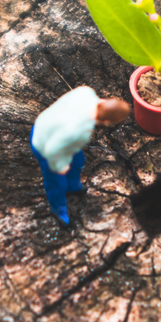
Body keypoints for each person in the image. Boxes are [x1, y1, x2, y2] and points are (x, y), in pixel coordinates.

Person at [30, 86, 129, 224]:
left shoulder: (86, 91)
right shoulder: (79, 131)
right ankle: (58, 208)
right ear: (107, 122)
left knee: (78, 161)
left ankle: (73, 187)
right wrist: (59, 167)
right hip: (43, 142)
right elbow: (50, 150)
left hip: (50, 125)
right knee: (56, 181)